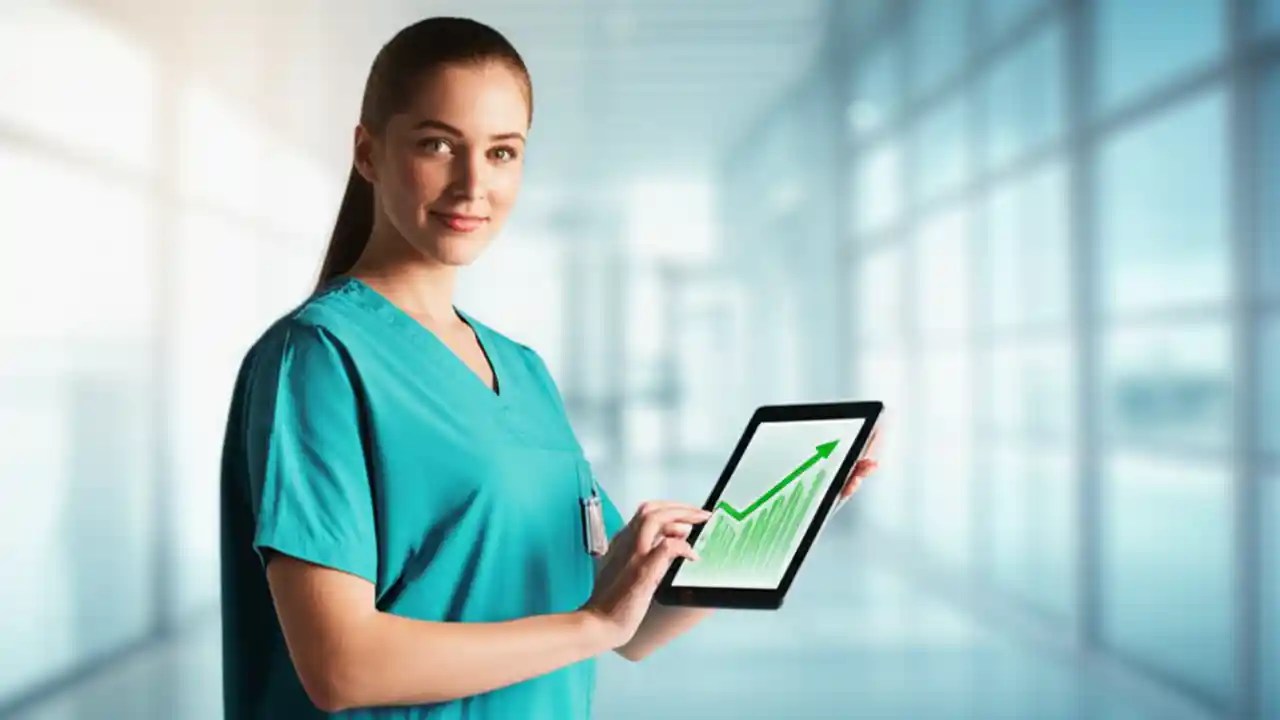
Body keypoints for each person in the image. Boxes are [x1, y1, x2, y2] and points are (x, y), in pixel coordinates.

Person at [219, 16, 879, 719]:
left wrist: (793, 510)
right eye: (438, 144)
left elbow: (637, 623)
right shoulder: (320, 359)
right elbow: (341, 666)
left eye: (503, 152)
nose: (473, 183)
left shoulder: (522, 371)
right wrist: (592, 625)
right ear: (369, 152)